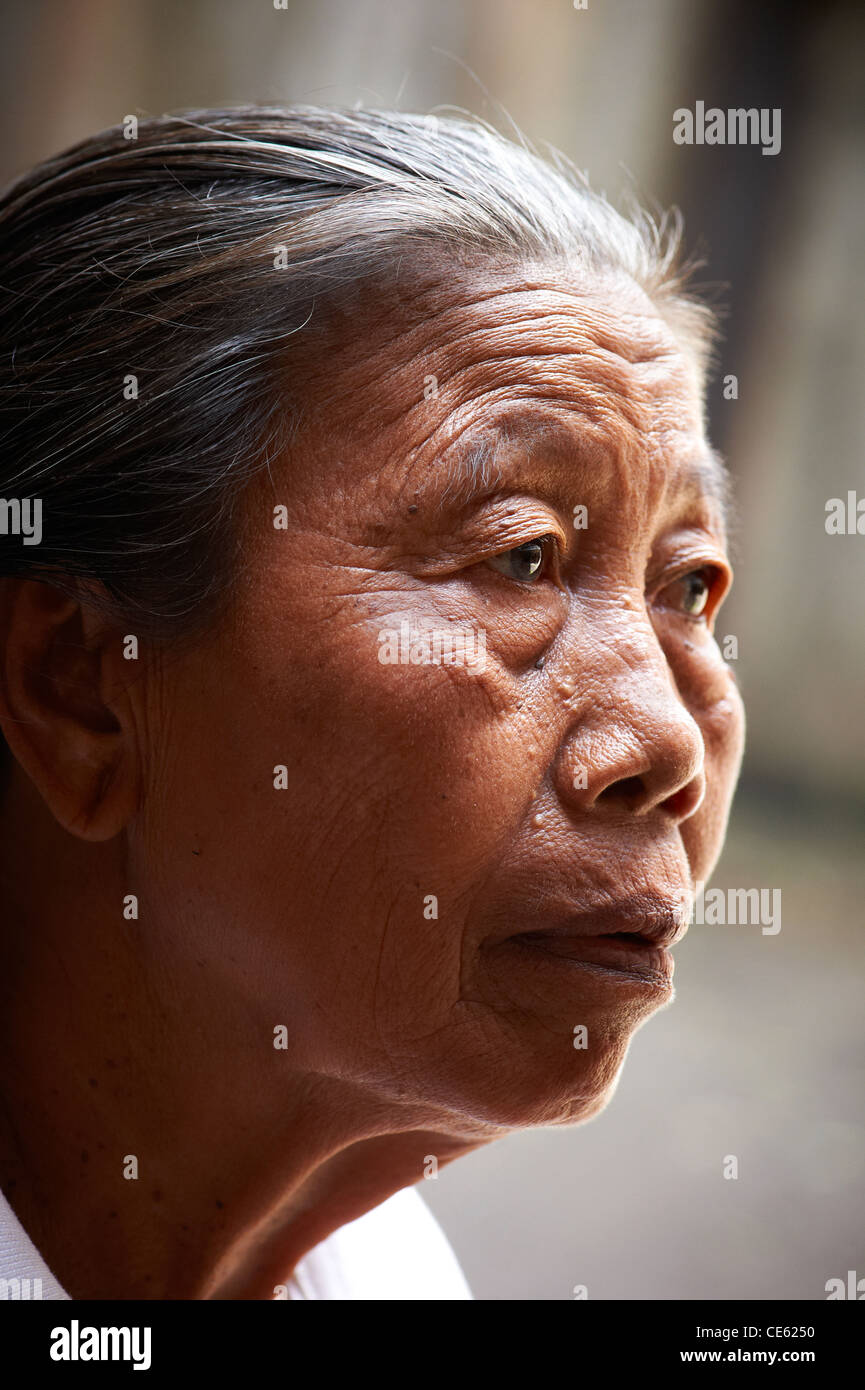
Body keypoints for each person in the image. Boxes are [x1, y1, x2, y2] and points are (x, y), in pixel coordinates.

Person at [0, 106, 744, 1299]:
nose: (663, 745)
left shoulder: (382, 1272)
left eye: (689, 586)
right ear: (81, 685)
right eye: (520, 557)